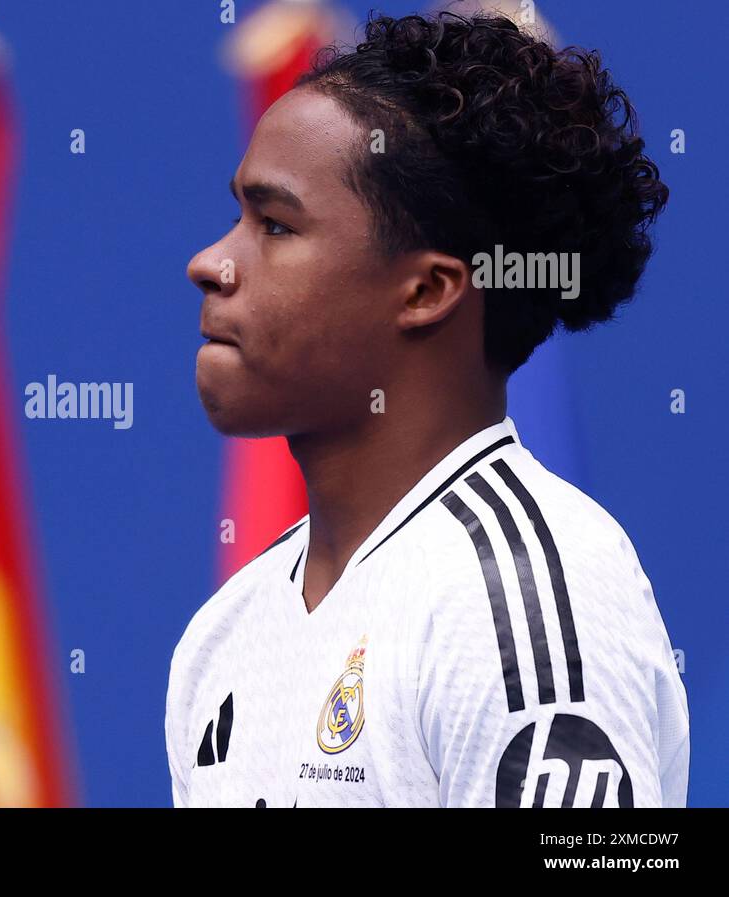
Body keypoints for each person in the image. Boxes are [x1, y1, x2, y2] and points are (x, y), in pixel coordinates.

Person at [167, 11, 688, 807]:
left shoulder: (525, 598)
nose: (210, 262)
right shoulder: (222, 635)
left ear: (426, 291)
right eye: (239, 216)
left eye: (275, 224)